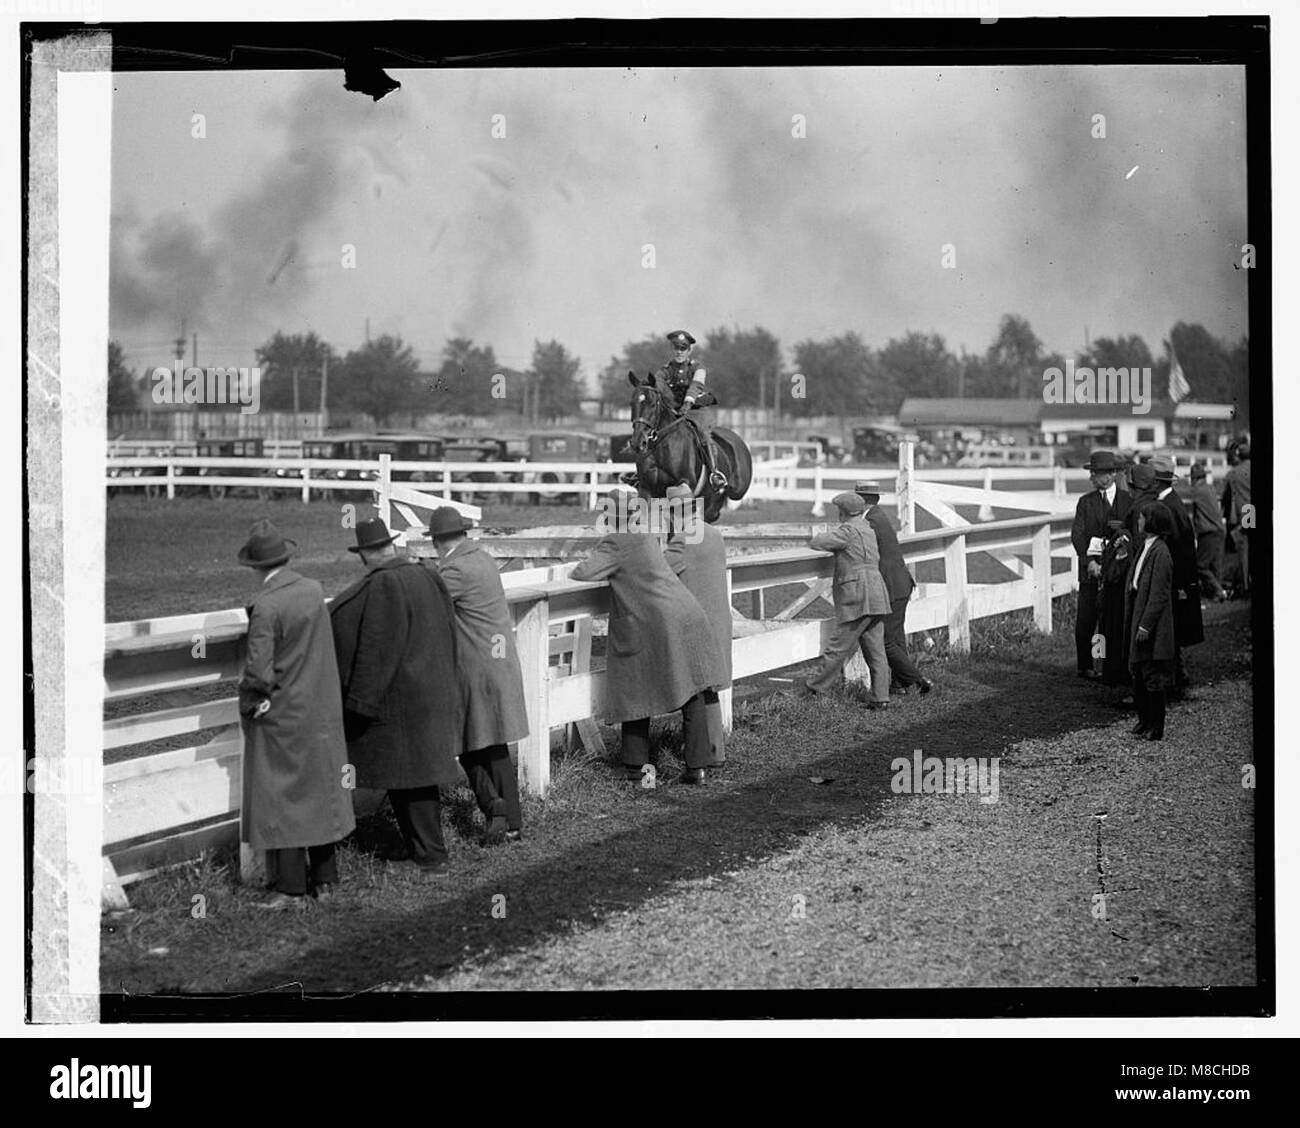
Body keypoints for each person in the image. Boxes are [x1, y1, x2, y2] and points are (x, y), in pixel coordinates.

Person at [329, 517, 465, 878]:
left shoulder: (383, 585)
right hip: (434, 692)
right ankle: (427, 853)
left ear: (363, 556)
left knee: (411, 779)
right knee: (416, 779)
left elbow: (376, 652)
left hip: (404, 704)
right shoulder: (427, 575)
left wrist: (359, 704)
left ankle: (431, 858)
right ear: (390, 545)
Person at [236, 519, 355, 910]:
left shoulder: (267, 607)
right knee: (321, 791)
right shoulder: (312, 590)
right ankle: (325, 880)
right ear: (285, 558)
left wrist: (253, 701)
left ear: (255, 566)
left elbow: (258, 670)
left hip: (284, 712)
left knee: (282, 795)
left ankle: (290, 888)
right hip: (319, 706)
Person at [570, 488, 727, 783]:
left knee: (635, 688)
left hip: (657, 623)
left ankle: (638, 768)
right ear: (635, 513)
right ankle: (698, 767)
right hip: (686, 614)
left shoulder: (616, 542)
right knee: (691, 689)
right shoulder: (645, 538)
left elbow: (582, 572)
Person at [427, 506, 529, 842]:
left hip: (476, 669)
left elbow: (428, 603)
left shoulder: (453, 569)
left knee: (467, 740)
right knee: (491, 742)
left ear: (438, 540)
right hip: (499, 663)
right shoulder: (483, 559)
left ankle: (495, 808)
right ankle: (508, 818)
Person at [799, 492, 892, 709]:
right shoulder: (868, 529)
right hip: (877, 594)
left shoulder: (848, 531)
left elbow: (819, 542)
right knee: (876, 650)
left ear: (842, 512)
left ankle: (814, 688)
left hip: (858, 596)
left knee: (838, 647)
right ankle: (881, 697)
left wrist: (818, 535)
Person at [662, 484, 729, 781]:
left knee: (694, 690)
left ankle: (697, 761)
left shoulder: (681, 541)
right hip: (718, 621)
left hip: (695, 627)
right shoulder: (714, 534)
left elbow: (660, 573)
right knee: (710, 687)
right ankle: (716, 753)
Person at [855, 480, 933, 695]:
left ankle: (918, 681)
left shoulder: (869, 522)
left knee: (886, 640)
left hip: (891, 587)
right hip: (900, 584)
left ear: (861, 499)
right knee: (896, 637)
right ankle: (899, 684)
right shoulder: (877, 516)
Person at [1070, 451, 1132, 680]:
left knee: (1110, 620)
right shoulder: (1085, 502)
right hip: (1090, 572)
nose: (1092, 478)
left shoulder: (1127, 501)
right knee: (1087, 620)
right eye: (1093, 473)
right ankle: (1086, 666)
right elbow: (1077, 535)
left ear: (1112, 474)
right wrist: (1089, 562)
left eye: (1096, 474)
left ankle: (1106, 666)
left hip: (1117, 573)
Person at [1123, 502, 1178, 741]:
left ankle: (1156, 726)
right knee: (1139, 670)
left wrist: (1146, 625)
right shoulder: (1147, 546)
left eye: (1143, 518)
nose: (1139, 521)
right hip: (1138, 609)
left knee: (1153, 674)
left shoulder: (1161, 553)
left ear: (1153, 522)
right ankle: (1144, 720)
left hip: (1151, 620)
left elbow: (1159, 594)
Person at [1150, 457, 1204, 697]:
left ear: (1157, 482)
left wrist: (1180, 584)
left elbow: (1181, 549)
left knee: (1168, 631)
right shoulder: (1173, 502)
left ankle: (1172, 682)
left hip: (1174, 579)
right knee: (1172, 632)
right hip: (1178, 578)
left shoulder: (1168, 507)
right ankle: (1178, 678)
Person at [654, 329, 726, 490]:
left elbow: (696, 385)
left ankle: (714, 473)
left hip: (696, 409)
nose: (679, 352)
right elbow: (657, 385)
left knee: (703, 434)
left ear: (689, 350)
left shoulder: (697, 367)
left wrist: (688, 402)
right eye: (676, 348)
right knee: (653, 432)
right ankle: (643, 474)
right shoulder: (664, 370)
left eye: (683, 348)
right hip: (674, 411)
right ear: (672, 349)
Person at [1096, 518, 1133, 687]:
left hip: (1113, 598)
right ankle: (1105, 668)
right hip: (1112, 597)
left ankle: (1108, 671)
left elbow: (1112, 575)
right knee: (1104, 634)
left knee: (1107, 634)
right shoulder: (1123, 538)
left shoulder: (1121, 539)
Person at [1189, 463, 1228, 601]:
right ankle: (1217, 594)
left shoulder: (1197, 491)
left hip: (1208, 532)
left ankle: (1219, 591)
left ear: (1195, 478)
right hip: (1219, 530)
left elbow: (1194, 515)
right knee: (1216, 565)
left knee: (1200, 565)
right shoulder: (1210, 488)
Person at [1221, 443, 1253, 595]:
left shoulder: (1234, 473)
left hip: (1245, 514)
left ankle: (1245, 586)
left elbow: (1223, 495)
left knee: (1243, 551)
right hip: (1252, 511)